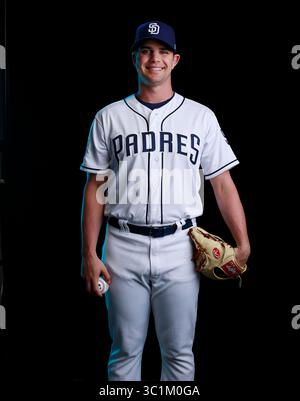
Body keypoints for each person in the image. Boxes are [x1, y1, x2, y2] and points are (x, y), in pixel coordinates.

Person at [80, 20, 250, 381]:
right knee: (124, 351)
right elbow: (96, 187)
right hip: (121, 245)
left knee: (179, 352)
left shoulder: (200, 117)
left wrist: (243, 242)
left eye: (161, 52)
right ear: (134, 58)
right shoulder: (108, 117)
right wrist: (89, 253)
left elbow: (222, 182)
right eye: (145, 51)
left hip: (181, 247)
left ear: (175, 60)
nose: (153, 58)